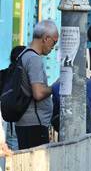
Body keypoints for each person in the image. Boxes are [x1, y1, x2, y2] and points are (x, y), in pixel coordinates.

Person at [12, 20, 59, 148]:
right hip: (34, 124)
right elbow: (38, 93)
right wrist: (56, 86)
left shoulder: (23, 54)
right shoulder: (34, 59)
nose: (54, 46)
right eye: (54, 42)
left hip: (25, 122)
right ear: (46, 38)